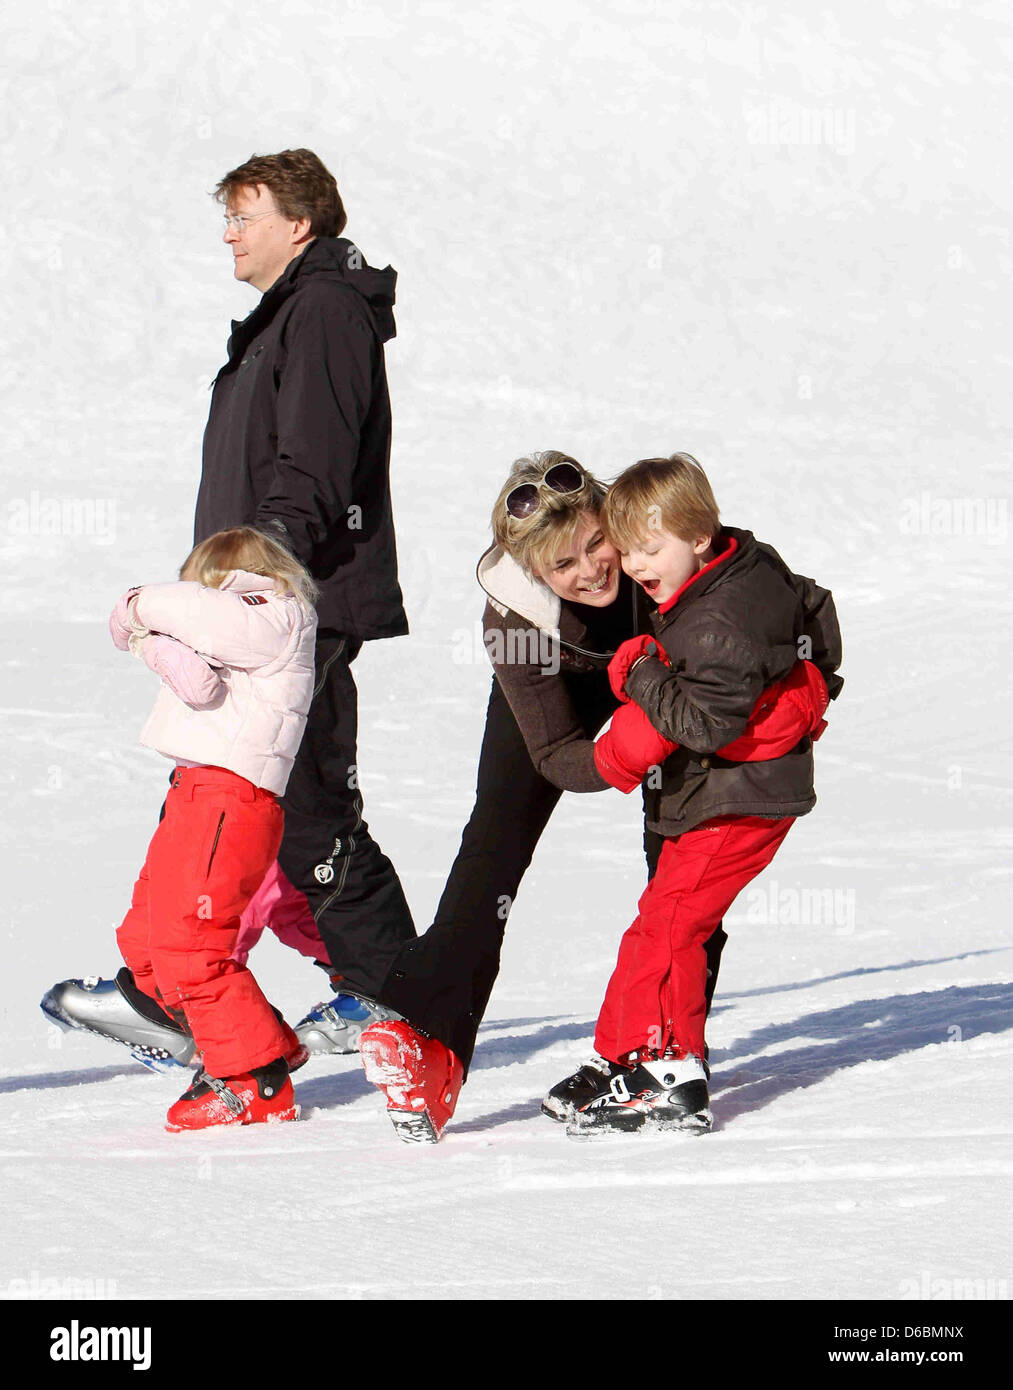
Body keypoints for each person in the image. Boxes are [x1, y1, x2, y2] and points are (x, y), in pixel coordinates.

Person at [43, 148, 413, 1058]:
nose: (228, 234)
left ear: (299, 223)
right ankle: (167, 986)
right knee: (230, 796)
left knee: (304, 806)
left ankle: (401, 995)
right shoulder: (292, 313)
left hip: (292, 611)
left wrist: (251, 588)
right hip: (265, 600)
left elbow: (312, 468)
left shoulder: (323, 310)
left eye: (243, 216)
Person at [355, 452, 820, 1143]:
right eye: (562, 567)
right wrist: (624, 747)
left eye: (598, 544)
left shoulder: (658, 548)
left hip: (667, 681)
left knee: (683, 851)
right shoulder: (515, 621)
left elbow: (778, 603)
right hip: (573, 685)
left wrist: (804, 689)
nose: (594, 570)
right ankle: (430, 1040)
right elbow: (553, 758)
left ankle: (660, 1051)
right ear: (536, 574)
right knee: (496, 836)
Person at [560, 454, 843, 1136]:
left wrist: (641, 672)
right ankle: (624, 1057)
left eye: (648, 549)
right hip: (733, 793)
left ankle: (666, 1068)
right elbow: (816, 606)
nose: (633, 566)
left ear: (696, 534)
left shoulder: (714, 624)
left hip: (736, 802)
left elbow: (703, 722)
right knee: (660, 920)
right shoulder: (747, 562)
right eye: (626, 551)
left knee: (671, 926)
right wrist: (812, 681)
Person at [97, 527, 315, 1130]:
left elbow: (201, 619)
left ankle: (253, 1079)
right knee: (146, 940)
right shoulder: (234, 633)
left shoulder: (276, 613)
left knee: (193, 945)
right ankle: (244, 1039)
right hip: (194, 794)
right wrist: (148, 641)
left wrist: (138, 605)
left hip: (230, 797)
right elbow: (197, 684)